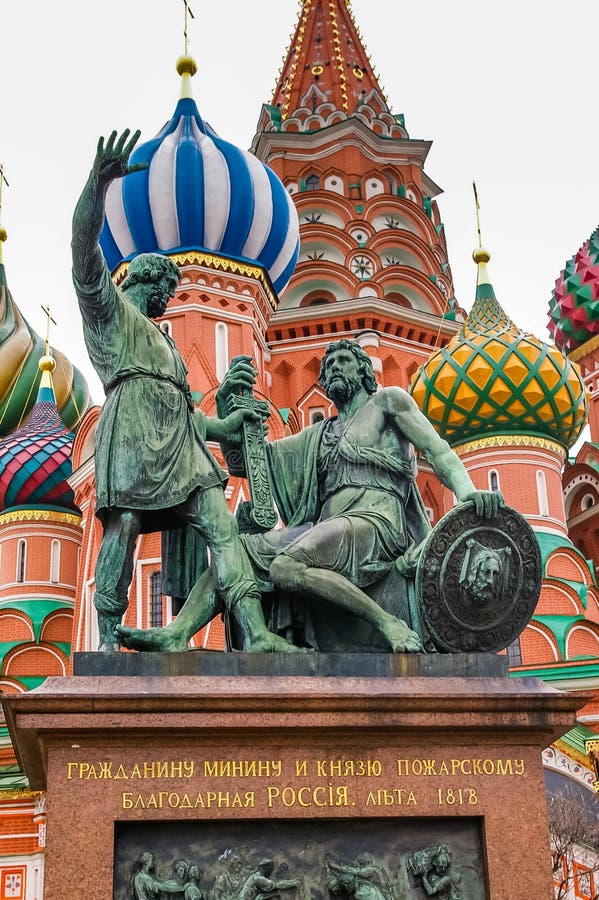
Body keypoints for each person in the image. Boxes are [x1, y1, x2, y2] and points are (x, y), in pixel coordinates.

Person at [118, 340, 502, 653]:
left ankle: (389, 623)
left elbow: (438, 451)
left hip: (376, 523)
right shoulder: (320, 433)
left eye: (344, 360)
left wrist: (467, 492)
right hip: (330, 526)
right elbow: (254, 461)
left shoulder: (388, 402)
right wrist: (227, 412)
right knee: (237, 548)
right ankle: (178, 633)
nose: (334, 367)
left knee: (285, 567)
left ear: (364, 371)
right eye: (329, 362)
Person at [71, 128, 298, 653]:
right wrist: (98, 185)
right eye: (164, 291)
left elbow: (188, 416)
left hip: (184, 448)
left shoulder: (165, 346)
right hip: (130, 432)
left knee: (223, 528)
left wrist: (226, 425)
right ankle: (107, 638)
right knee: (123, 528)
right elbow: (83, 250)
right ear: (144, 282)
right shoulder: (110, 313)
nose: (168, 302)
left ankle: (256, 632)